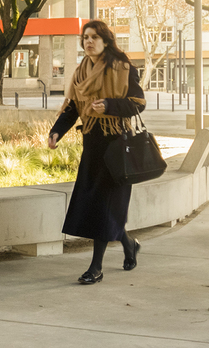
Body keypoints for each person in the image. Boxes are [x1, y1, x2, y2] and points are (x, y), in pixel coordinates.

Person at [46, 19, 146, 284]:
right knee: (99, 206)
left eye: (94, 37)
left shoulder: (123, 67)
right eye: (85, 38)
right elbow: (73, 107)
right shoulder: (81, 72)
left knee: (104, 207)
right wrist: (57, 131)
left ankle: (96, 268)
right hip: (92, 144)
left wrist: (111, 106)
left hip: (116, 144)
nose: (88, 41)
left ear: (106, 41)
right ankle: (129, 244)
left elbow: (138, 103)